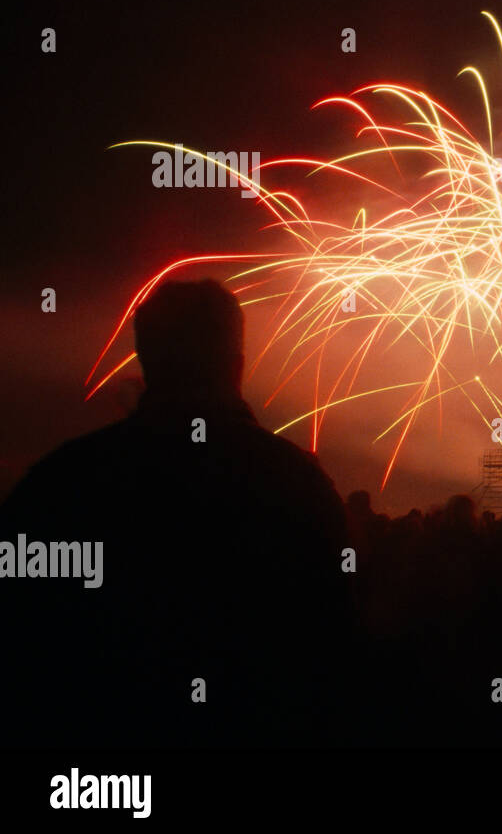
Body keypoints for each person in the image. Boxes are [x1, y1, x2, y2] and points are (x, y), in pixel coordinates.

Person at [0, 279, 356, 746]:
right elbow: (337, 661)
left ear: (146, 359)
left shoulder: (58, 484)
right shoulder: (304, 490)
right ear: (237, 366)